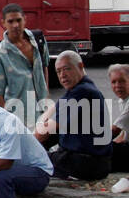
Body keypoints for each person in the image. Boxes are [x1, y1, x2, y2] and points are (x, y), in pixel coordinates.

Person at [34, 51, 111, 181]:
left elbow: (42, 132)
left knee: (28, 157)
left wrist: (40, 127)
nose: (62, 75)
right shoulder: (79, 89)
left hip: (85, 163)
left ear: (80, 66)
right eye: (58, 72)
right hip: (91, 162)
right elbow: (54, 111)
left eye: (67, 69)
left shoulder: (82, 92)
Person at [0, 3, 49, 130]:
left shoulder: (38, 41)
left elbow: (44, 68)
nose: (15, 25)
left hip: (42, 114)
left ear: (25, 19)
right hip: (18, 119)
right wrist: (6, 122)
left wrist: (47, 99)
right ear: (3, 23)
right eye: (10, 21)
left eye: (18, 20)